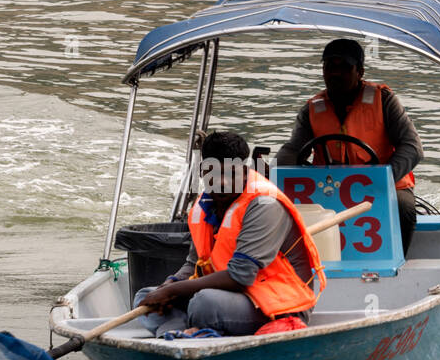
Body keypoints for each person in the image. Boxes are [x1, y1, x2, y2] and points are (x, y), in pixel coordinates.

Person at [134, 130, 325, 337]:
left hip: (279, 305)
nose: (222, 182)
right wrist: (169, 284)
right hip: (231, 296)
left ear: (245, 171)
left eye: (231, 174)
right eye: (214, 174)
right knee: (144, 297)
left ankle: (181, 329)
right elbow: (194, 263)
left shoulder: (264, 204)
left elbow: (240, 276)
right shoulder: (204, 205)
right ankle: (182, 332)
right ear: (202, 172)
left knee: (203, 303)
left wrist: (172, 292)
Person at [274, 38, 423, 254]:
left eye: (344, 67)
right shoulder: (311, 109)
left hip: (383, 184)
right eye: (329, 67)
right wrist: (271, 175)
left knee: (403, 207)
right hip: (329, 186)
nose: (336, 73)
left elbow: (413, 147)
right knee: (280, 205)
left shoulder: (384, 100)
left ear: (360, 71)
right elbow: (292, 150)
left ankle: (399, 262)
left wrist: (384, 177)